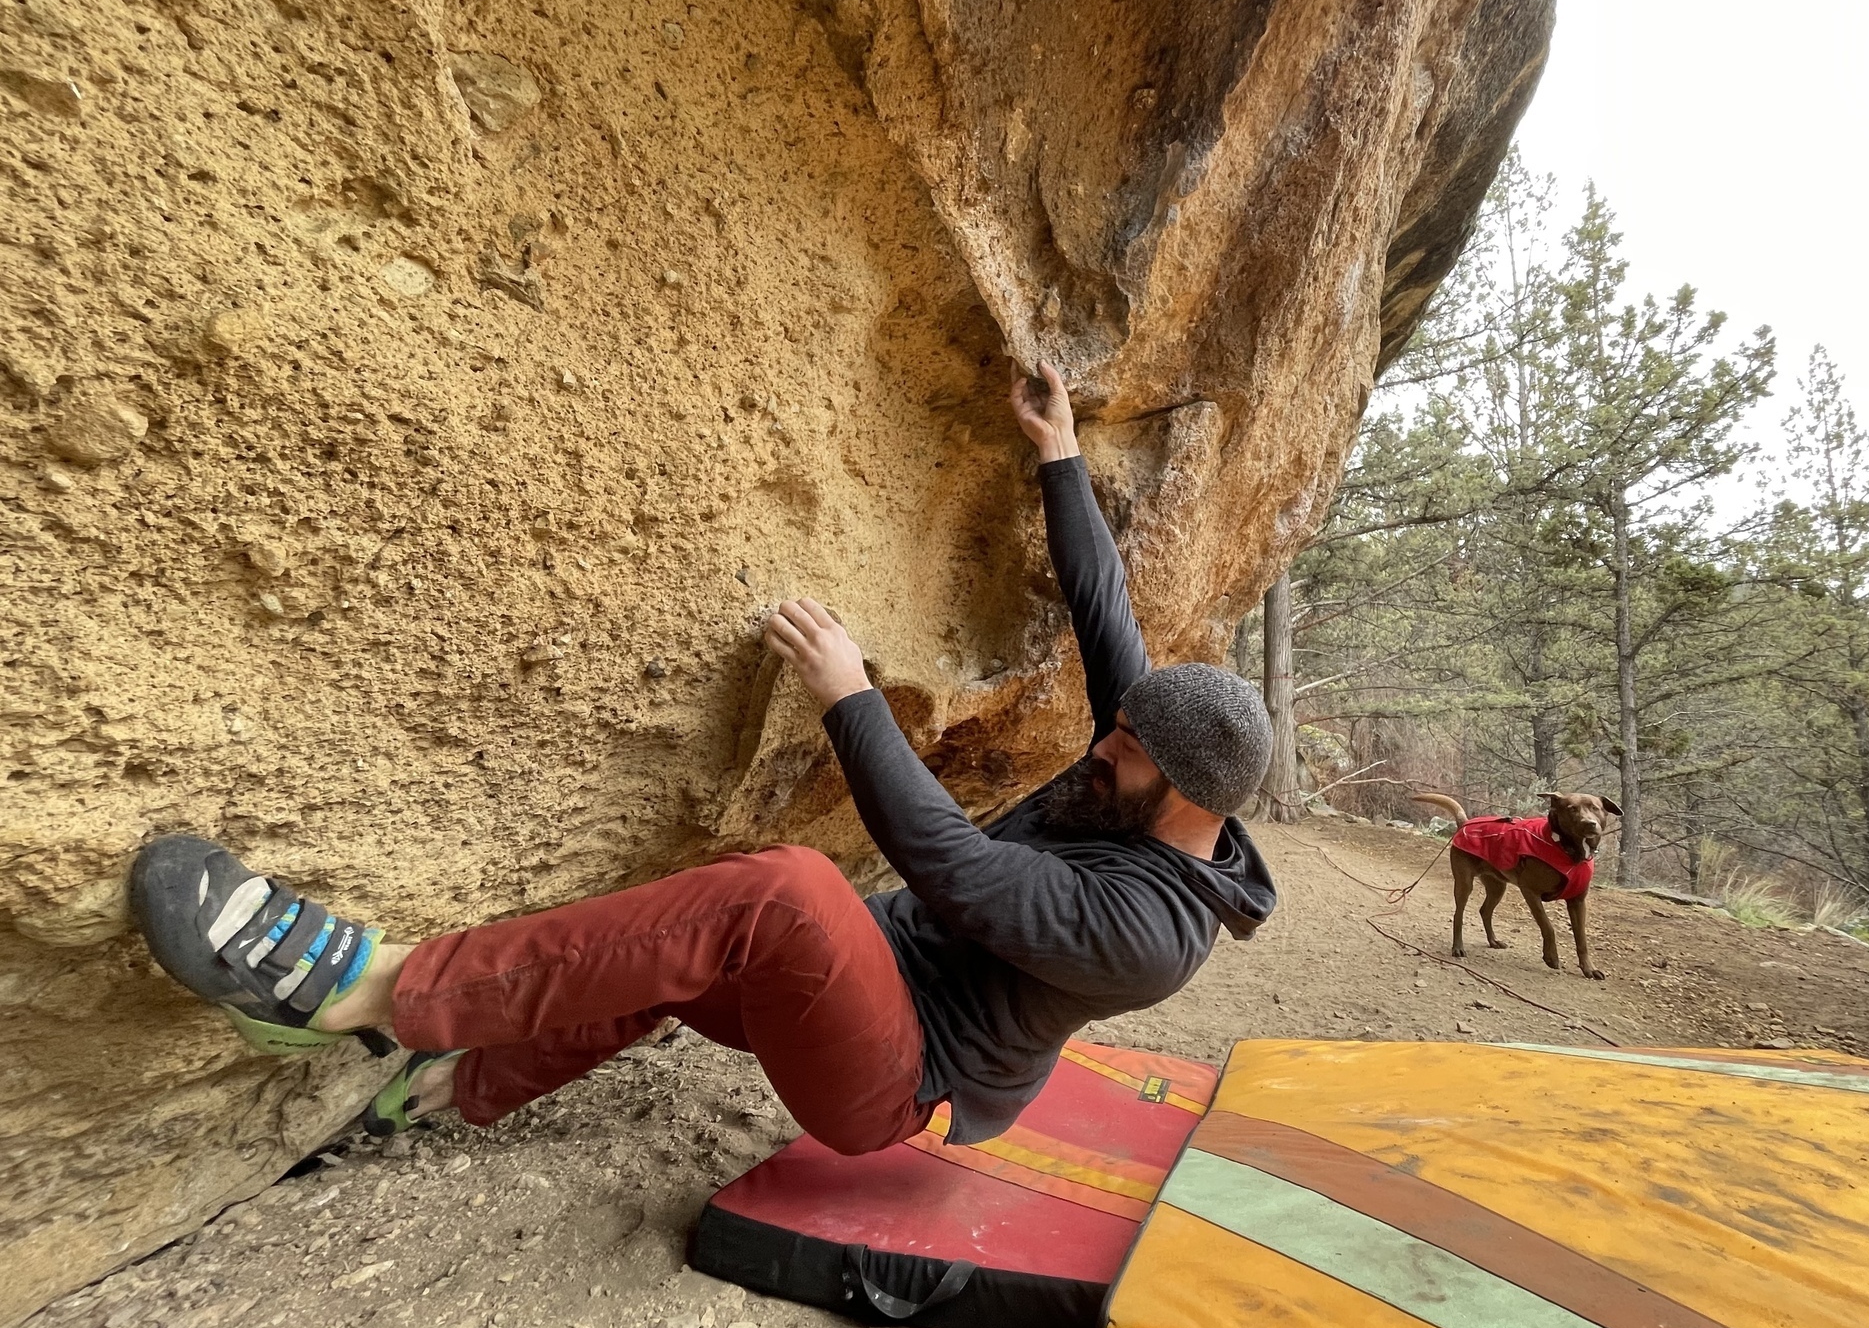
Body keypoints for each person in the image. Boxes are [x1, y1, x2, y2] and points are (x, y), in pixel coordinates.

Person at [130, 364, 1277, 1154]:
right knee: (673, 940)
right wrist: (1059, 455)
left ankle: (370, 990)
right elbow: (1103, 616)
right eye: (1116, 729)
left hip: (895, 1079)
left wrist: (850, 699)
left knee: (783, 894)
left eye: (1122, 751)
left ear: (1184, 798)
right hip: (862, 986)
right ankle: (450, 1089)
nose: (1098, 750)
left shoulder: (1149, 936)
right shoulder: (1148, 775)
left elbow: (956, 872)